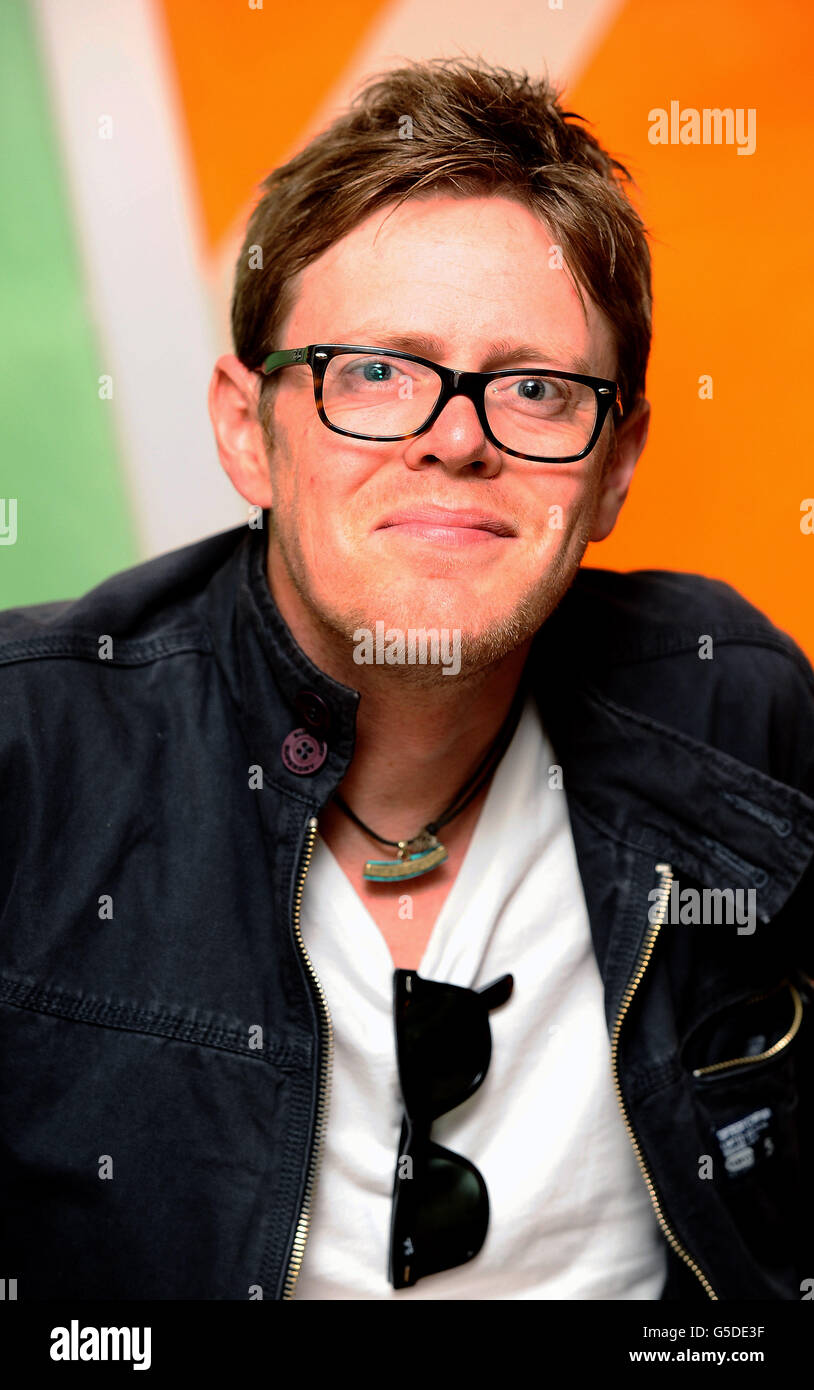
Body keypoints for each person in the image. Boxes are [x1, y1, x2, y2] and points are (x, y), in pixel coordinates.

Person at [1, 57, 813, 1304]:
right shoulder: (31, 747)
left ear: (612, 467)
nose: (456, 435)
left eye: (537, 388)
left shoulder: (733, 711)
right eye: (376, 372)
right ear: (246, 429)